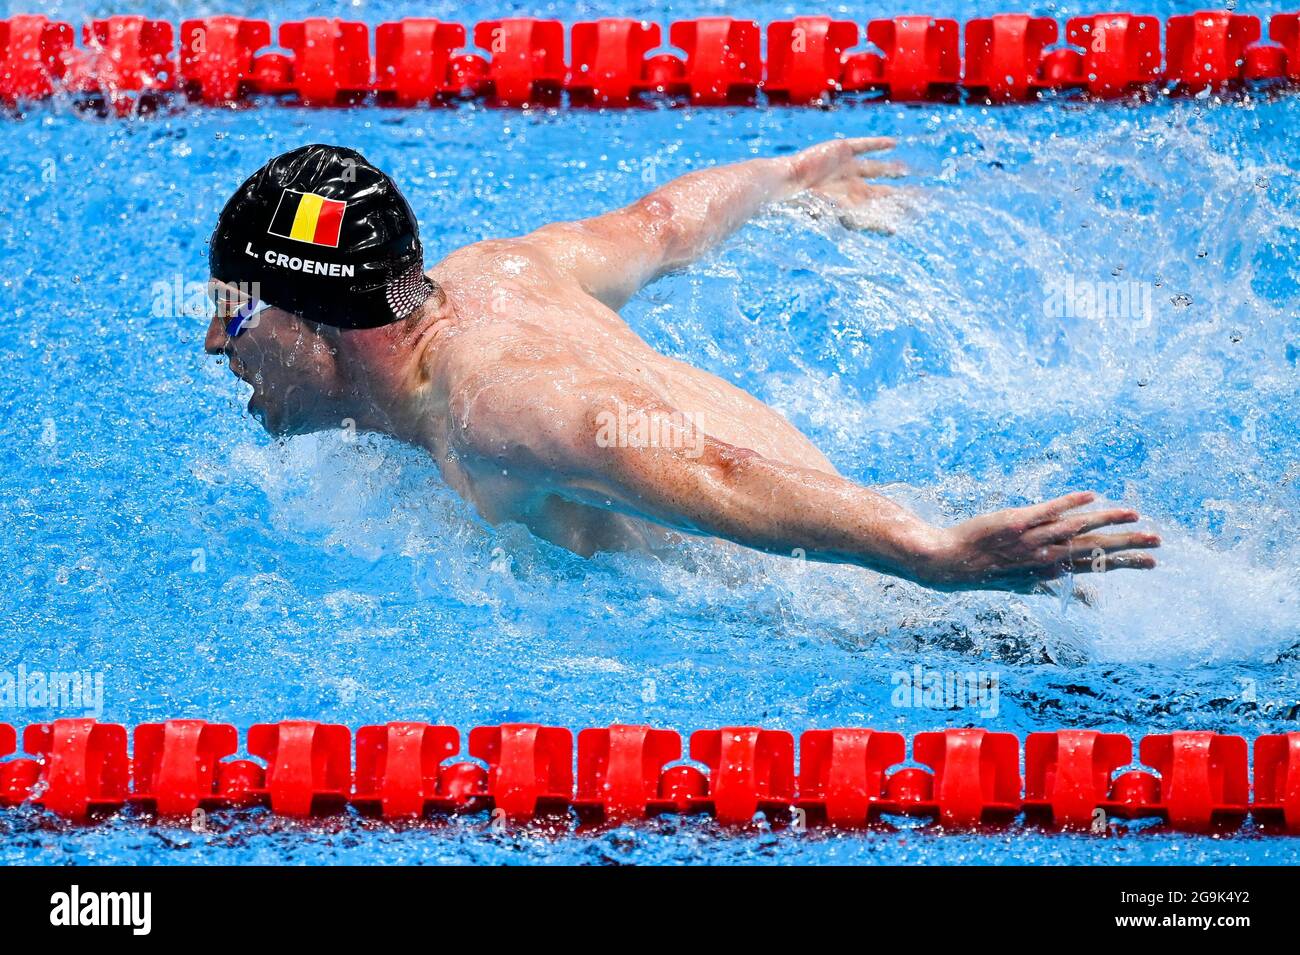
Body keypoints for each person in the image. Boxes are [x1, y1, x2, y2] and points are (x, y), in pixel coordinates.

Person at [206, 141, 1159, 592]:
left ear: (316, 322)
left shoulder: (493, 408)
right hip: (895, 520)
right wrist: (792, 176)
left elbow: (709, 468)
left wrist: (929, 553)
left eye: (235, 308)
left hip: (878, 603)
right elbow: (662, 226)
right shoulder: (495, 272)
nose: (217, 342)